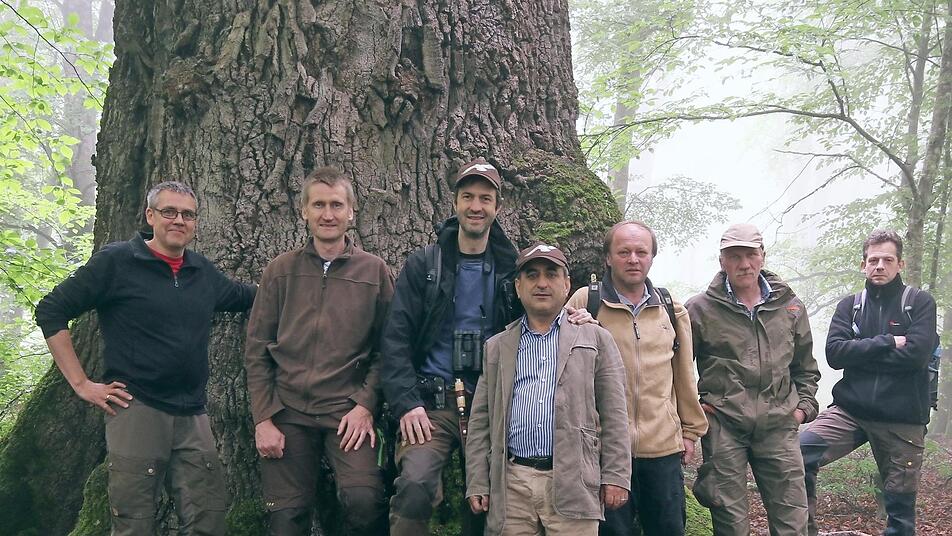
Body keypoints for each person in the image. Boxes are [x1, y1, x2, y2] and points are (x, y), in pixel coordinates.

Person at [380, 158, 592, 536]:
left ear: (498, 206)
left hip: (497, 401)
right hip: (432, 402)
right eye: (467, 197)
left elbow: (541, 315)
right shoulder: (425, 265)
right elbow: (395, 339)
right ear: (455, 203)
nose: (476, 206)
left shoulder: (513, 267)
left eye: (485, 198)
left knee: (489, 498)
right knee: (414, 485)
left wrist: (577, 315)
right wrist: (406, 403)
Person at [34, 181, 256, 535]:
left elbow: (249, 297)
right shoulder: (118, 261)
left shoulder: (202, 273)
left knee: (209, 519)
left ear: (196, 223)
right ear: (151, 215)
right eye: (169, 211)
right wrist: (81, 384)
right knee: (134, 523)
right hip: (136, 409)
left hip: (193, 415)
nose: (178, 220)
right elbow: (51, 311)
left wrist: (302, 281)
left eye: (187, 214)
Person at [244, 167, 394, 534]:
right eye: (319, 205)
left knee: (364, 501)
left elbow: (388, 348)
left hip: (346, 413)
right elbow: (257, 349)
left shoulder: (374, 272)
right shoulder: (280, 271)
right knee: (286, 517)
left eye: (337, 205)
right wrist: (264, 419)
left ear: (351, 212)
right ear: (304, 211)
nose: (328, 214)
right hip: (288, 412)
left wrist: (365, 405)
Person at [465, 244, 631, 535]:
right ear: (518, 286)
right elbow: (480, 421)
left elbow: (616, 412)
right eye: (532, 275)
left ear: (566, 284)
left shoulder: (595, 338)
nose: (541, 283)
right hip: (511, 483)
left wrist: (617, 475)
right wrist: (478, 480)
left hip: (574, 481)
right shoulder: (497, 347)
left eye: (551, 274)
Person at [566, 221, 708, 536]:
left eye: (641, 252)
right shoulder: (584, 302)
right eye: (624, 252)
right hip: (603, 450)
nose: (633, 259)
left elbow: (684, 376)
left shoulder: (671, 309)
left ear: (652, 258)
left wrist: (690, 432)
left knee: (668, 529)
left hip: (662, 450)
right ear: (607, 258)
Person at [800, 230, 938, 536]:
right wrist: (889, 341)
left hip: (902, 420)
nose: (879, 266)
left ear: (900, 263)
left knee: (900, 511)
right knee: (798, 456)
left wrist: (859, 351)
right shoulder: (850, 306)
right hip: (851, 412)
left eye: (887, 260)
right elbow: (835, 355)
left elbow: (915, 357)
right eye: (873, 260)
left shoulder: (919, 303)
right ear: (863, 264)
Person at [686, 223, 819, 536]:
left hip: (779, 426)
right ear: (722, 261)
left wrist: (801, 410)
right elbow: (676, 368)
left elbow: (805, 367)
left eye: (750, 255)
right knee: (730, 523)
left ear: (763, 256)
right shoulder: (700, 309)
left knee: (792, 521)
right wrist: (695, 410)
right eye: (734, 256)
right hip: (724, 427)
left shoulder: (790, 306)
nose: (743, 264)